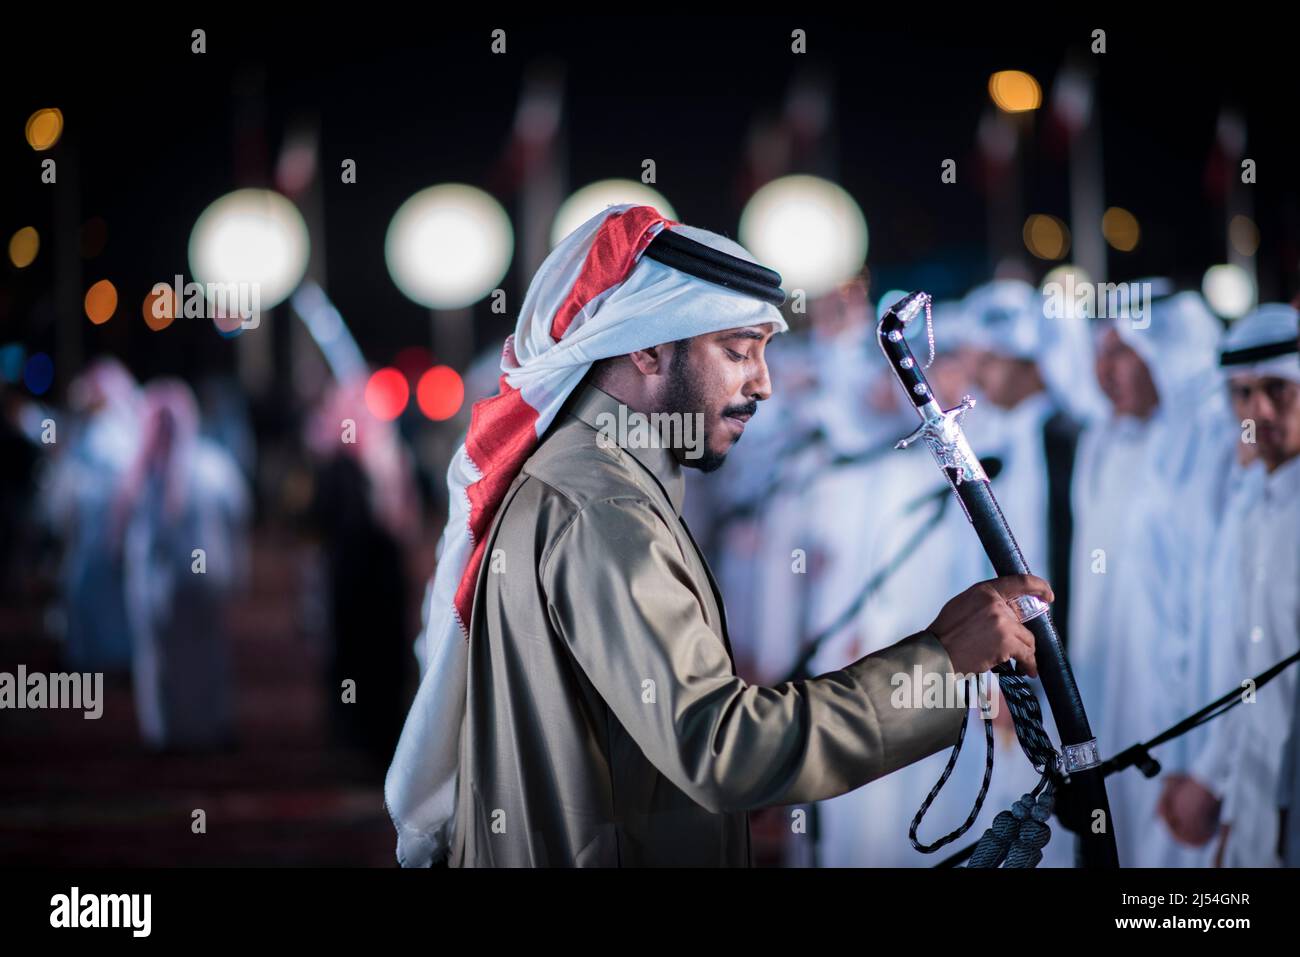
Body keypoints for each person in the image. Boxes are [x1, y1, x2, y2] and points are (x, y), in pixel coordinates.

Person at [385, 204, 1051, 867]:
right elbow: (720, 749)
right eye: (737, 351)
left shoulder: (601, 475)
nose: (762, 382)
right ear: (646, 347)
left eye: (763, 351)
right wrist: (940, 663)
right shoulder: (603, 507)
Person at [1068, 286, 1227, 867]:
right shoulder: (1101, 446)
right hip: (1113, 692)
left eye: (1123, 352)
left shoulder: (1211, 450)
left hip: (1187, 704)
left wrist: (1212, 759)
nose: (1104, 369)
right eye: (1100, 352)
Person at [1157, 303, 1300, 867]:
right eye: (1241, 394)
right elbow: (1251, 676)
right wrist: (1230, 801)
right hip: (1258, 810)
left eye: (1276, 390)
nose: (1257, 409)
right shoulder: (1251, 507)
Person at [115, 379, 249, 751]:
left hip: (180, 585)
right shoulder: (199, 465)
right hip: (177, 584)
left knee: (180, 659)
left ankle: (177, 733)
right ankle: (191, 730)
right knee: (186, 658)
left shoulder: (187, 466)